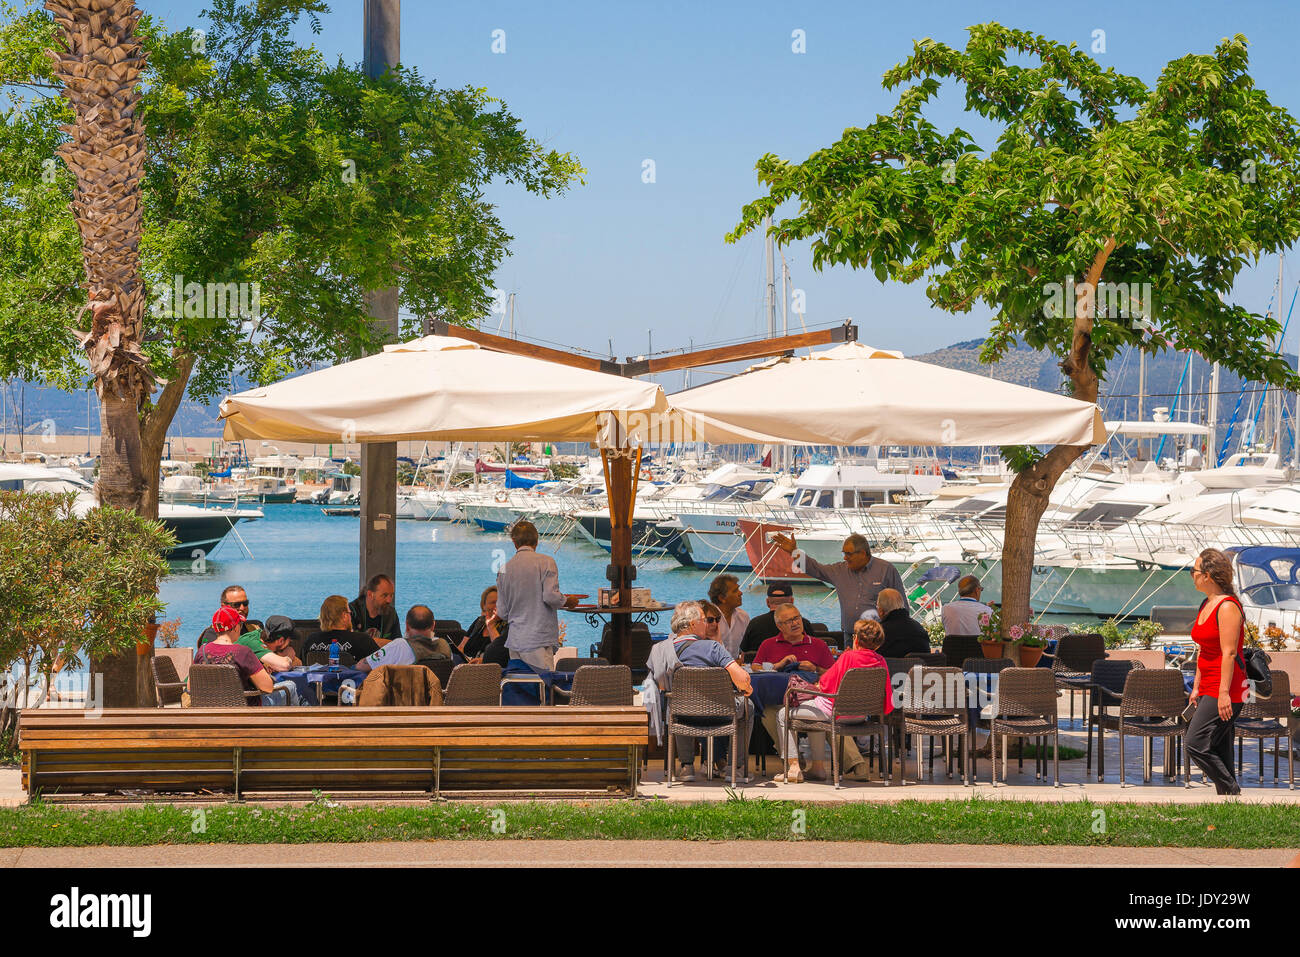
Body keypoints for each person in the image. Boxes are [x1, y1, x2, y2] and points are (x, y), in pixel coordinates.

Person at [775, 618, 893, 783]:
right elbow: (886, 692)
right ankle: (817, 769)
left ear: (856, 639)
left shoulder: (848, 657)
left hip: (835, 714)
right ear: (878, 644)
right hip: (860, 716)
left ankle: (793, 767)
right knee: (811, 716)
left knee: (782, 713)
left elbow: (825, 683)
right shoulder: (881, 661)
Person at [659, 600, 753, 783]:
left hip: (683, 714)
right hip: (720, 714)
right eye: (704, 620)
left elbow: (662, 686)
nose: (710, 624)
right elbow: (742, 678)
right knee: (749, 707)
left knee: (673, 702)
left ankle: (686, 766)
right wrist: (746, 688)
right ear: (693, 624)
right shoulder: (714, 648)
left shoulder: (665, 650)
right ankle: (736, 768)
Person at [1186, 548, 1249, 796]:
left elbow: (1229, 653)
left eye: (1194, 570)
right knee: (1220, 744)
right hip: (1211, 685)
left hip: (1230, 687)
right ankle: (1230, 803)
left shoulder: (1227, 607)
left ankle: (1230, 790)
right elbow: (1204, 650)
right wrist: (1198, 687)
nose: (1192, 575)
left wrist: (1223, 693)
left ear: (1208, 576)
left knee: (1195, 743)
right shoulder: (1207, 603)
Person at [769, 532, 905, 639]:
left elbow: (902, 607)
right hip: (850, 636)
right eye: (844, 553)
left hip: (879, 638)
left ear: (863, 553)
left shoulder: (886, 570)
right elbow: (814, 568)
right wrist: (794, 552)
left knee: (877, 673)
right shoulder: (839, 571)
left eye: (848, 554)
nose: (845, 557)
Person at [496, 520, 579, 675]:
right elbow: (550, 596)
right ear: (537, 540)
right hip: (538, 639)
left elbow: (502, 612)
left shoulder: (503, 570)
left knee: (521, 691)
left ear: (514, 542)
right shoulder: (546, 562)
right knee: (543, 690)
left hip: (515, 641)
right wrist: (568, 601)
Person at [194, 606, 295, 706]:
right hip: (245, 709)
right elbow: (267, 687)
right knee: (290, 686)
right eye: (240, 624)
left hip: (211, 708)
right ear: (236, 627)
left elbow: (191, 687)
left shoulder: (202, 650)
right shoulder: (243, 652)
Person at [196, 585, 295, 673]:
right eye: (236, 605)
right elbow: (212, 667)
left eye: (245, 603)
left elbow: (269, 651)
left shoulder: (255, 627)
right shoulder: (213, 634)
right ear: (223, 606)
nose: (242, 608)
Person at [356, 605, 454, 673]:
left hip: (404, 700)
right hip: (436, 699)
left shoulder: (400, 645)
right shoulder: (444, 645)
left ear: (407, 626)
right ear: (433, 625)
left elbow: (361, 666)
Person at [739, 584, 818, 658]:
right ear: (792, 601)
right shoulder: (803, 624)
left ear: (767, 602)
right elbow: (814, 650)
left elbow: (744, 654)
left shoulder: (754, 623)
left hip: (761, 670)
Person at [753, 604, 836, 675]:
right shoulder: (767, 644)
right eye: (789, 621)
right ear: (779, 626)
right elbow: (754, 668)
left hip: (810, 691)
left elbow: (834, 674)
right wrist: (778, 665)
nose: (795, 623)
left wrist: (815, 669)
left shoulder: (819, 645)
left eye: (797, 618)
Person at [303, 595, 380, 663]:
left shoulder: (311, 640)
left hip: (316, 679)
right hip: (350, 679)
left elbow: (302, 665)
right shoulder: (362, 640)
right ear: (344, 616)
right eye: (350, 613)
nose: (350, 617)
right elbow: (381, 662)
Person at [876, 588, 931, 658]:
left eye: (877, 607)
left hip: (891, 668)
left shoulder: (881, 632)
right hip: (920, 668)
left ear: (881, 610)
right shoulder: (918, 627)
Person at [349, 574, 400, 645]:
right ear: (370, 594)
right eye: (384, 595)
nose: (389, 600)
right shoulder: (351, 611)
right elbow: (350, 642)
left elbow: (398, 644)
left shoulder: (391, 613)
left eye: (391, 595)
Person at [708, 574, 750, 660]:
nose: (740, 593)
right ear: (722, 598)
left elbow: (746, 648)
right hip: (711, 669)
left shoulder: (743, 617)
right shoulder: (708, 619)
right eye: (735, 591)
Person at [460, 586, 508, 660]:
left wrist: (491, 626)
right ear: (484, 606)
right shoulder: (479, 621)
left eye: (500, 602)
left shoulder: (507, 625)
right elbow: (461, 647)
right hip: (466, 665)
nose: (497, 605)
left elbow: (499, 653)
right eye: (493, 602)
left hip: (488, 668)